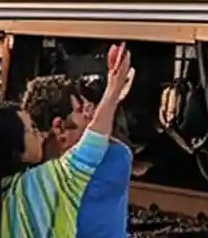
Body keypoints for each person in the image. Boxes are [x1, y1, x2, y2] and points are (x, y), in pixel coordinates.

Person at [0, 43, 134, 238]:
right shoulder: (41, 185)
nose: (40, 134)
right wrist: (113, 90)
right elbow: (92, 146)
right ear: (16, 152)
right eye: (32, 130)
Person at [21, 73, 132, 237]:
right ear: (60, 129)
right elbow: (117, 149)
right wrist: (104, 112)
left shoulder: (28, 181)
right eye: (81, 111)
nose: (88, 116)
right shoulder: (114, 160)